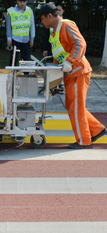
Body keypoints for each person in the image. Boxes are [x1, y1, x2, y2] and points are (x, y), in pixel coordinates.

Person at [36, 3, 106, 149]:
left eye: (42, 19)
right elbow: (58, 54)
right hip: (71, 73)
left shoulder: (65, 25)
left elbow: (80, 44)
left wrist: (69, 61)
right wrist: (56, 76)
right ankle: (97, 129)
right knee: (72, 106)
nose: (41, 22)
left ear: (49, 16)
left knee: (76, 107)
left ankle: (84, 141)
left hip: (78, 72)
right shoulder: (54, 31)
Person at [42, 2, 65, 94]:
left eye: (59, 10)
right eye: (56, 10)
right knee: (54, 68)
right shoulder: (51, 25)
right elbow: (46, 37)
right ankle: (54, 86)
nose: (58, 12)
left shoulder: (65, 25)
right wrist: (45, 48)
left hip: (63, 53)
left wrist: (70, 59)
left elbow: (79, 44)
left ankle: (61, 84)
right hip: (55, 51)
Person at [6, 0, 35, 66]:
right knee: (13, 59)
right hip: (15, 39)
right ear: (17, 1)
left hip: (26, 39)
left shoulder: (29, 11)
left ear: (26, 1)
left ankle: (26, 75)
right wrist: (9, 39)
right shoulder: (11, 11)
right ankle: (11, 74)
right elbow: (8, 26)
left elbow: (32, 25)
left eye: (24, 1)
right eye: (20, 1)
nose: (22, 3)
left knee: (26, 60)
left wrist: (32, 38)